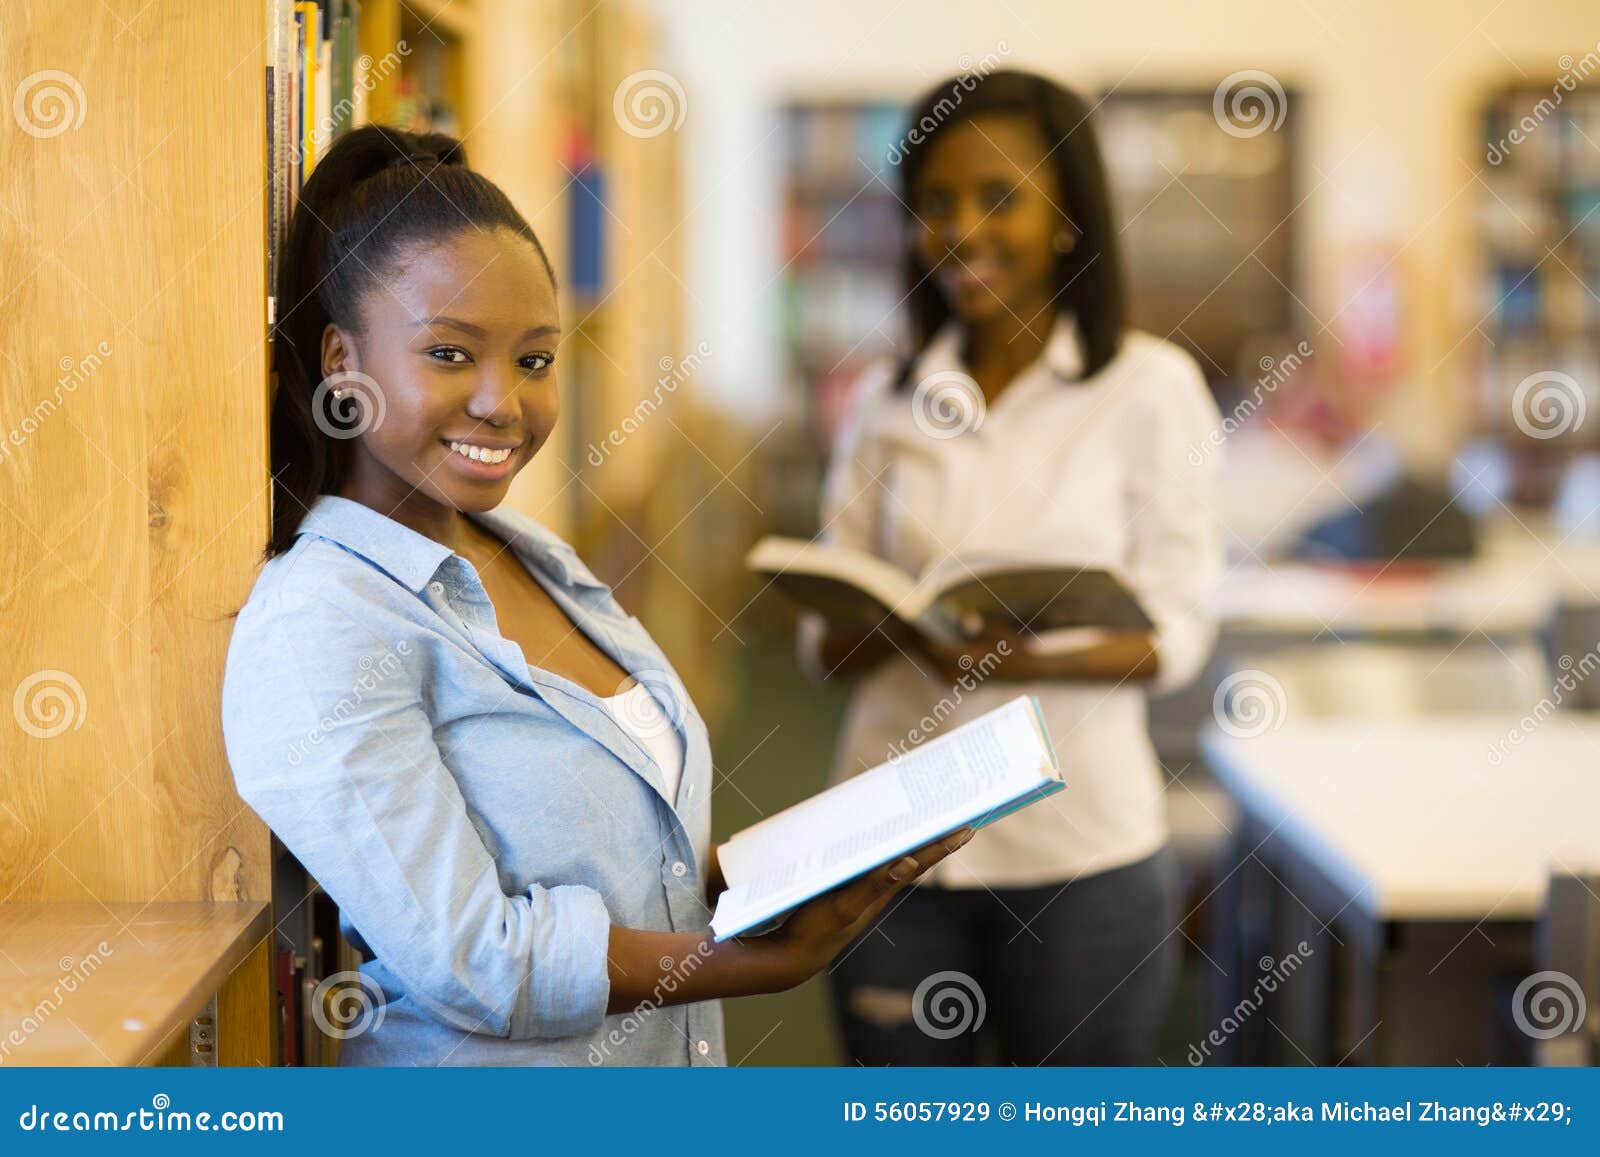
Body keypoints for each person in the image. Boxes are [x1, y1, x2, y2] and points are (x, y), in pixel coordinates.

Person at [220, 124, 972, 1067]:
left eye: (535, 360)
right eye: (451, 354)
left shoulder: (533, 556)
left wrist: (790, 875)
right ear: (342, 361)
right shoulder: (318, 623)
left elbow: (625, 851)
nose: (505, 402)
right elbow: (473, 957)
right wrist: (755, 962)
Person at [801, 71, 1224, 1065]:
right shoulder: (885, 399)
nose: (960, 230)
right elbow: (821, 646)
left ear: (1068, 214)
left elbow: (1176, 631)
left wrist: (1015, 661)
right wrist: (901, 626)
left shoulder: (1148, 389)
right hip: (886, 836)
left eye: (999, 198)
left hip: (1076, 840)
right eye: (935, 203)